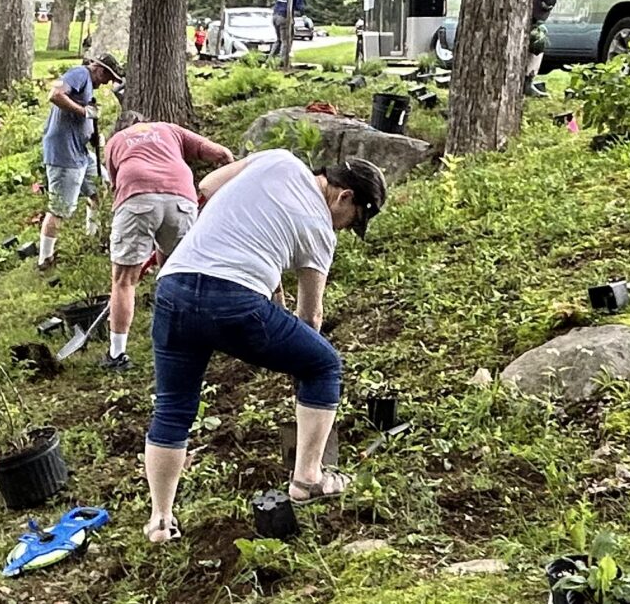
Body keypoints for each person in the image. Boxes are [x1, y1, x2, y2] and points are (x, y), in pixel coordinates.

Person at [140, 147, 387, 542]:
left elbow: (207, 185)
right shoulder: (321, 229)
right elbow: (311, 318)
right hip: (234, 302)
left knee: (172, 407)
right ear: (346, 197)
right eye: (350, 221)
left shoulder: (280, 160)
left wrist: (265, 271)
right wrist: (302, 363)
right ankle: (308, 477)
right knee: (324, 365)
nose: (342, 228)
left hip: (176, 287)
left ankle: (160, 520)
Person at [101, 112, 233, 370]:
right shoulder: (168, 129)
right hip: (181, 197)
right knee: (181, 273)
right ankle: (190, 339)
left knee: (124, 280)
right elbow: (217, 152)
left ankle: (117, 355)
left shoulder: (115, 141)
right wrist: (228, 170)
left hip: (136, 196)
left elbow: (115, 184)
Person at [38, 51, 118, 272]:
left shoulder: (89, 86)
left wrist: (91, 133)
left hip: (81, 152)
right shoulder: (79, 74)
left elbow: (84, 117)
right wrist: (84, 112)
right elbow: (55, 95)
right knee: (60, 208)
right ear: (100, 70)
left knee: (100, 187)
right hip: (64, 154)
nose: (108, 83)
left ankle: (92, 237)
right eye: (108, 77)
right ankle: (45, 260)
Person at [270, 0, 307, 67]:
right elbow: (300, 4)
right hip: (285, 16)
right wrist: (303, 14)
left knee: (279, 40)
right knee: (286, 41)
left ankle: (270, 61)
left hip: (276, 14)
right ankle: (282, 64)